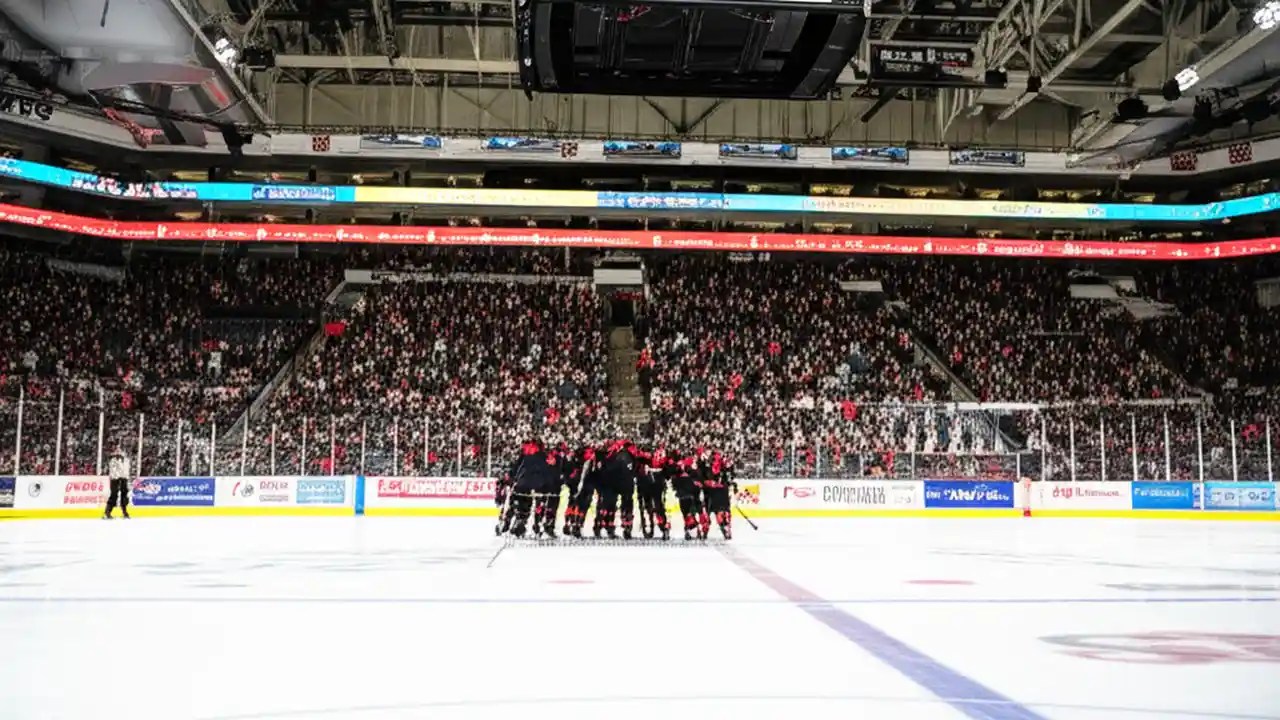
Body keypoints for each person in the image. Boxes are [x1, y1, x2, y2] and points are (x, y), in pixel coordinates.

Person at [103, 447, 132, 520]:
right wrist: (117, 477)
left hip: (123, 479)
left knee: (124, 496)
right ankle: (107, 512)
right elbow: (113, 470)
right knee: (114, 495)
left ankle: (124, 512)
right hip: (115, 479)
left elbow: (126, 470)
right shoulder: (113, 460)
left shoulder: (126, 460)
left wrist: (126, 478)